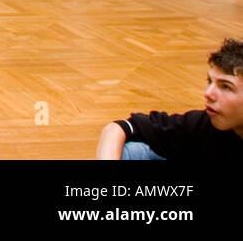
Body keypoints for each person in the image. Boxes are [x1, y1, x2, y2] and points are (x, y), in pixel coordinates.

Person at [96, 38, 243, 159]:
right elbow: (117, 129)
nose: (208, 93)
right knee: (129, 151)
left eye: (226, 87)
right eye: (210, 81)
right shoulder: (203, 124)